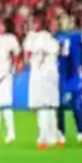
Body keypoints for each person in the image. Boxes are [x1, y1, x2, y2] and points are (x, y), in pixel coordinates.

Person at [23, 19, 61, 149]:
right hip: (49, 76)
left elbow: (26, 58)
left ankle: (45, 138)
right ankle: (51, 137)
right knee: (49, 108)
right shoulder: (50, 40)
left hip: (41, 77)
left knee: (44, 108)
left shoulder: (32, 39)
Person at [55, 27, 82, 143]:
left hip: (72, 77)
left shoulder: (76, 40)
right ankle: (61, 133)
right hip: (61, 77)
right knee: (60, 106)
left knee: (78, 105)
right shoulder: (57, 39)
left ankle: (81, 132)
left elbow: (81, 59)